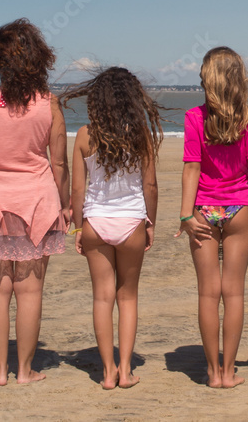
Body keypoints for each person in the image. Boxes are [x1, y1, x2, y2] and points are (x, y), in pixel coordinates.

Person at [0, 18, 71, 386]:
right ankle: (25, 371)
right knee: (30, 291)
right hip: (37, 204)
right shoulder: (49, 105)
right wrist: (67, 204)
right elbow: (58, 162)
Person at [176, 46, 248, 388]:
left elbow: (191, 168)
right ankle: (228, 372)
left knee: (208, 293)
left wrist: (184, 215)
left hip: (203, 210)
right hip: (238, 209)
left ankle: (211, 373)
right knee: (233, 293)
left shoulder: (195, 116)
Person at [62, 67, 162, 389]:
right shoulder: (140, 135)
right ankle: (126, 370)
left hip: (95, 222)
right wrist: (151, 222)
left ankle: (106, 373)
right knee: (127, 297)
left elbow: (78, 190)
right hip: (131, 220)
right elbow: (150, 185)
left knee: (101, 298)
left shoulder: (84, 135)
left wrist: (78, 229)